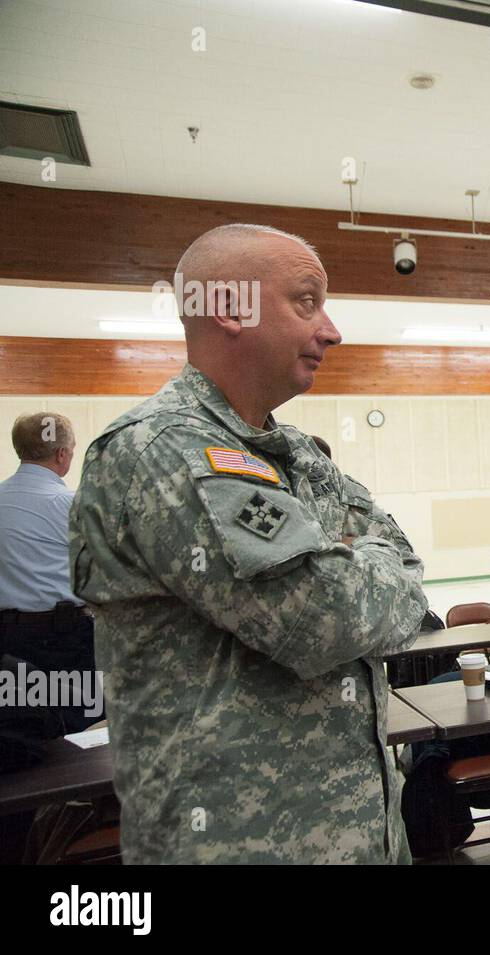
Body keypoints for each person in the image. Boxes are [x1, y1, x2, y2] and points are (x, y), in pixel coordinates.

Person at [67, 224, 428, 864]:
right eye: (307, 302)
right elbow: (329, 621)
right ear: (231, 308)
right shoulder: (163, 451)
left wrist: (370, 569)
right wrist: (373, 567)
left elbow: (401, 558)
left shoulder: (285, 451)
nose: (332, 330)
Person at [0, 413, 96, 736]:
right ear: (62, 455)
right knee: (78, 735)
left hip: (8, 643)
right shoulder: (70, 504)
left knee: (21, 728)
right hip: (65, 642)